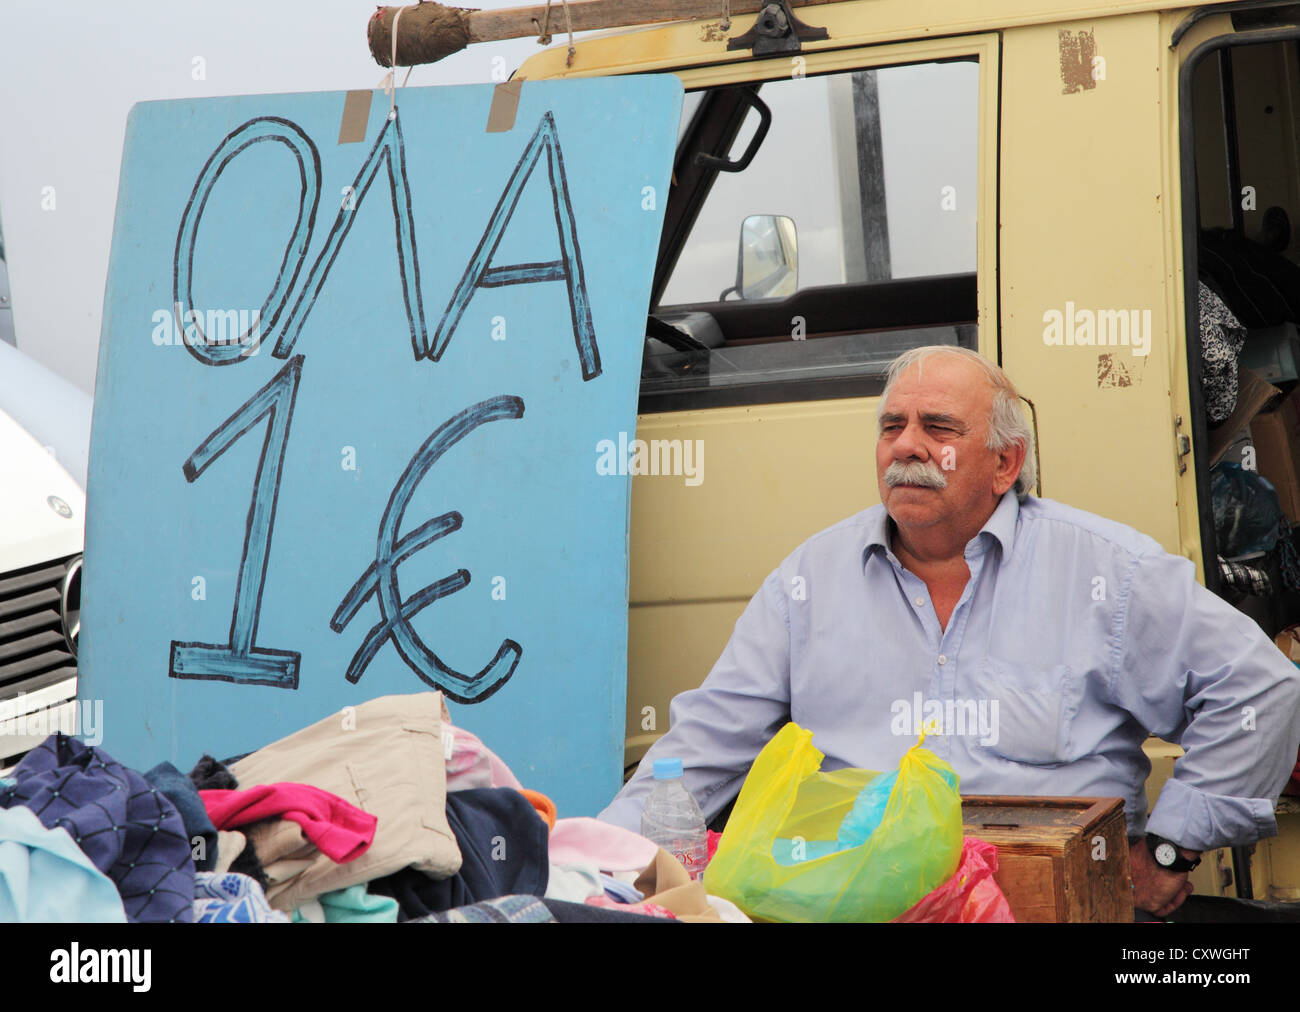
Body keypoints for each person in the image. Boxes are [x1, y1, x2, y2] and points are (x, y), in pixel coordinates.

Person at [598, 344, 1300, 918]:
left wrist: (1171, 852)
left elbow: (1260, 692)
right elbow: (701, 745)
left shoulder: (1104, 571)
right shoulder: (807, 582)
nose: (907, 446)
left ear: (1005, 463)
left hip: (1049, 904)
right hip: (856, 904)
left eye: (938, 429)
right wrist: (594, 868)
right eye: (891, 426)